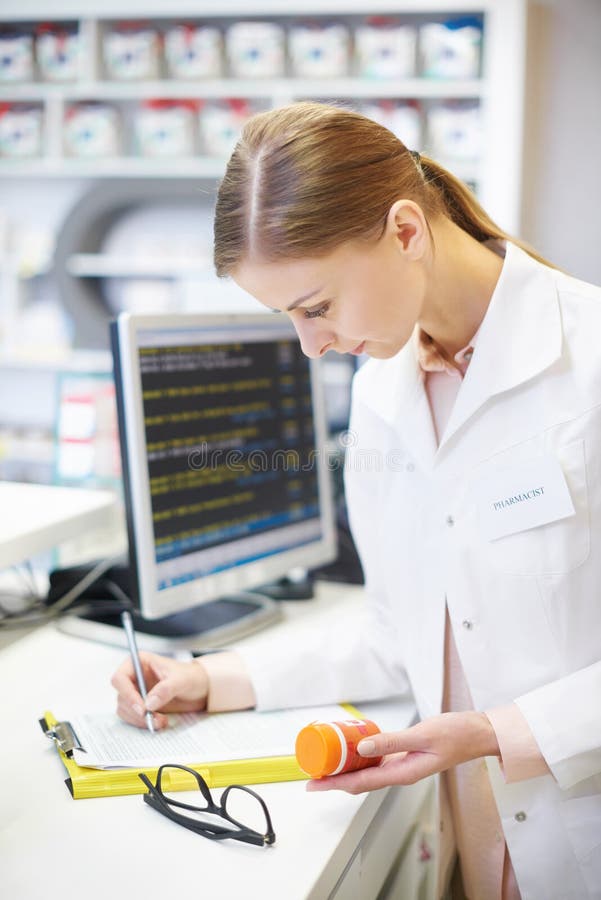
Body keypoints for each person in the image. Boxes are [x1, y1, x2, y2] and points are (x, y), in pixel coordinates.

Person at [111, 102, 601, 900]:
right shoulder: (384, 390)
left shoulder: (589, 358)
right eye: (287, 318)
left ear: (406, 231)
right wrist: (213, 678)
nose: (310, 346)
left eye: (316, 307)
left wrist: (489, 734)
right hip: (478, 849)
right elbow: (400, 629)